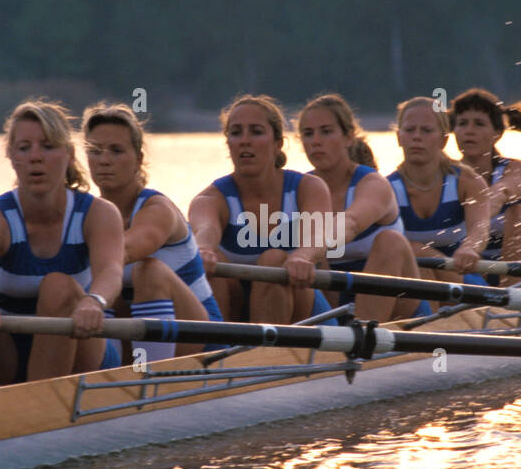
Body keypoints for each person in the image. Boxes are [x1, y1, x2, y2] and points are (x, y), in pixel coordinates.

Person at [0, 99, 125, 383]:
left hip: (83, 350)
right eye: (24, 148)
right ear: (11, 156)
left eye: (48, 147)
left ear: (70, 155)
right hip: (8, 349)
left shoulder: (98, 214)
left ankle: (39, 405)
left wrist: (93, 301)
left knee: (58, 286)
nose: (36, 157)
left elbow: (111, 270)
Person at [83, 102, 222, 361]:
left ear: (138, 159)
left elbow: (121, 251)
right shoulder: (89, 214)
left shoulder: (157, 209)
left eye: (116, 151)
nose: (104, 160)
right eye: (95, 151)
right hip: (138, 339)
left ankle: (145, 382)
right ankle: (109, 378)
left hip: (203, 338)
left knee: (148, 271)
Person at [188, 95, 334, 324]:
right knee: (213, 260)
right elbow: (205, 230)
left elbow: (317, 237)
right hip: (234, 307)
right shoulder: (210, 198)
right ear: (228, 144)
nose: (245, 141)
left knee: (274, 258)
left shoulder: (309, 187)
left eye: (256, 132)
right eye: (236, 133)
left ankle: (264, 352)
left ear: (278, 143)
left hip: (301, 309)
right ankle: (222, 352)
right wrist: (203, 249)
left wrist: (303, 256)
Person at [297, 93, 425, 322]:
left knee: (390, 242)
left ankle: (360, 339)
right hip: (332, 301)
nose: (316, 141)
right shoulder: (299, 188)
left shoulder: (373, 183)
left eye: (326, 132)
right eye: (308, 134)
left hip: (397, 305)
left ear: (348, 137)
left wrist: (304, 254)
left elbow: (351, 224)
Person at [450, 89, 521, 275]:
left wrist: (473, 238)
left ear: (497, 134)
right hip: (477, 275)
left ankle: (516, 297)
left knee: (520, 214)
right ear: (454, 131)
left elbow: (500, 193)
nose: (469, 131)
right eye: (462, 123)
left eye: (479, 124)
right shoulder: (447, 177)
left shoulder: (519, 169)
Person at [386, 97, 491, 283]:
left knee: (417, 253)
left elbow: (480, 230)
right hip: (412, 285)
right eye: (410, 130)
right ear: (398, 138)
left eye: (426, 130)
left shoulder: (468, 182)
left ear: (443, 141)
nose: (416, 136)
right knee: (415, 255)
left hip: (463, 281)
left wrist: (469, 248)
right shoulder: (386, 189)